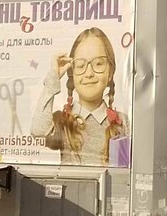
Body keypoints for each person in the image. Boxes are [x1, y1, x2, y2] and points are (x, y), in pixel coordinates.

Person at [30, 27, 130, 166]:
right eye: (81, 65)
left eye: (98, 64)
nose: (89, 73)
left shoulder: (123, 122)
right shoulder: (62, 121)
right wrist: (54, 76)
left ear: (110, 72)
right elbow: (38, 130)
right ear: (72, 74)